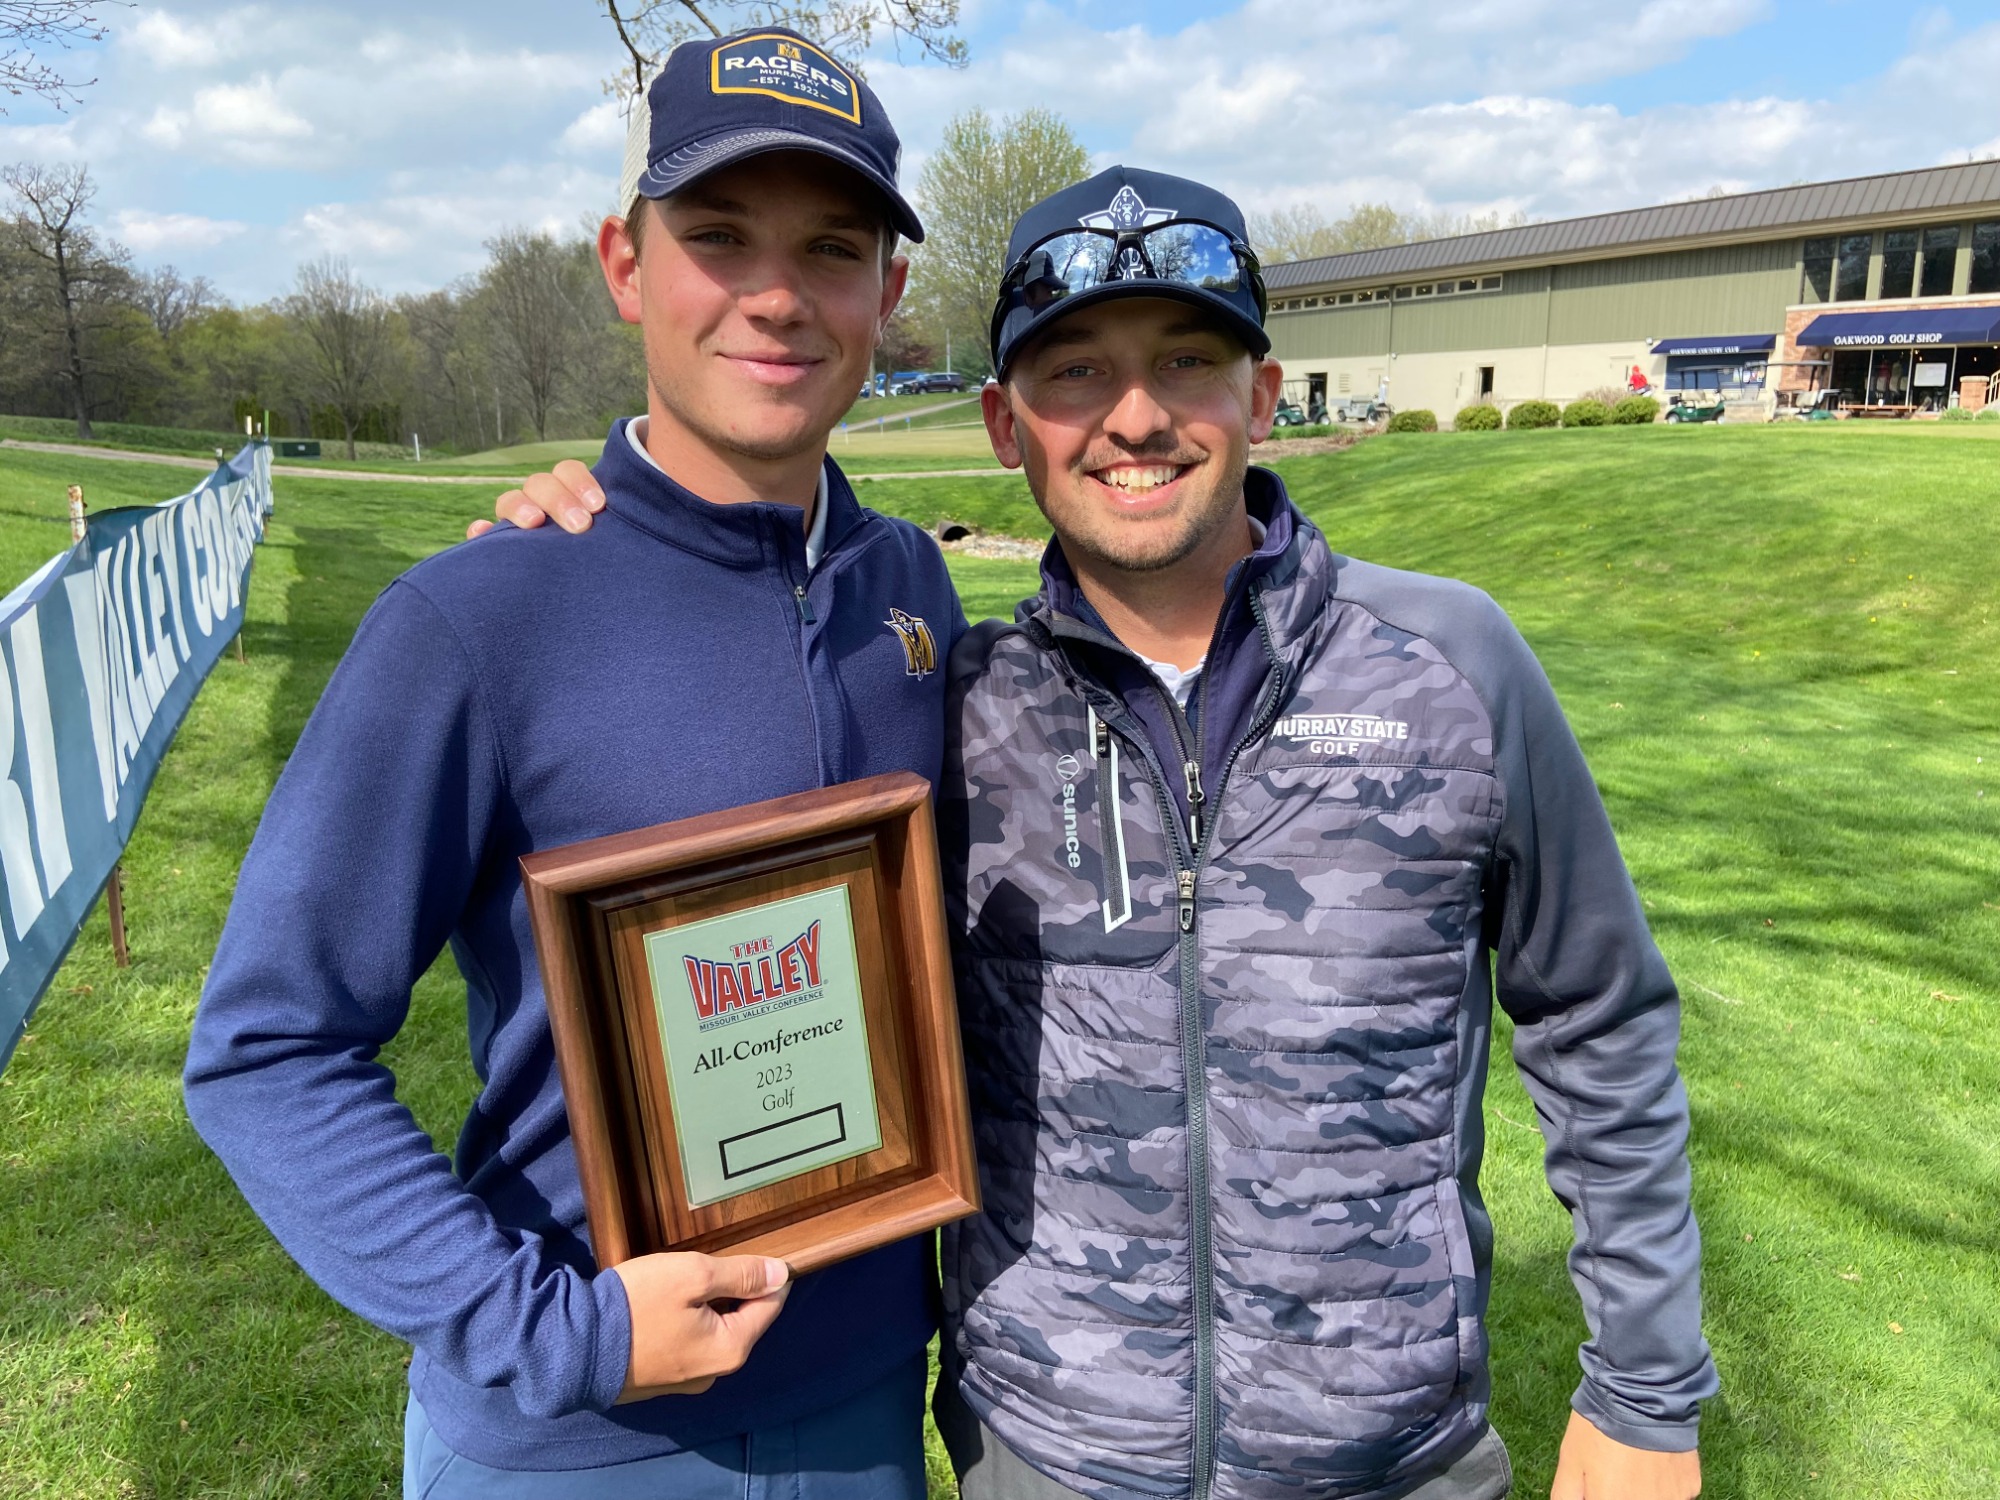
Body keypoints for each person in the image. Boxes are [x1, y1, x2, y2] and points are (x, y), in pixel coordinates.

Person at [493, 166, 1719, 1500]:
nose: (1135, 418)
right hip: (1047, 1457)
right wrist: (587, 553)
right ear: (1005, 426)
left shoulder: (1449, 665)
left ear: (1262, 394)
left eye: (1187, 359)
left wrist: (1645, 1396)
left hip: (1394, 1461)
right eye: (1072, 373)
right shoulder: (949, 708)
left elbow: (1600, 1021)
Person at [183, 28, 960, 1498]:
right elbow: (267, 1049)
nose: (779, 296)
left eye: (834, 249)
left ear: (891, 294)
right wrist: (561, 1333)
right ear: (624, 264)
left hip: (866, 1413)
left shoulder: (908, 588)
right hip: (575, 1445)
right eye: (719, 238)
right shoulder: (478, 617)